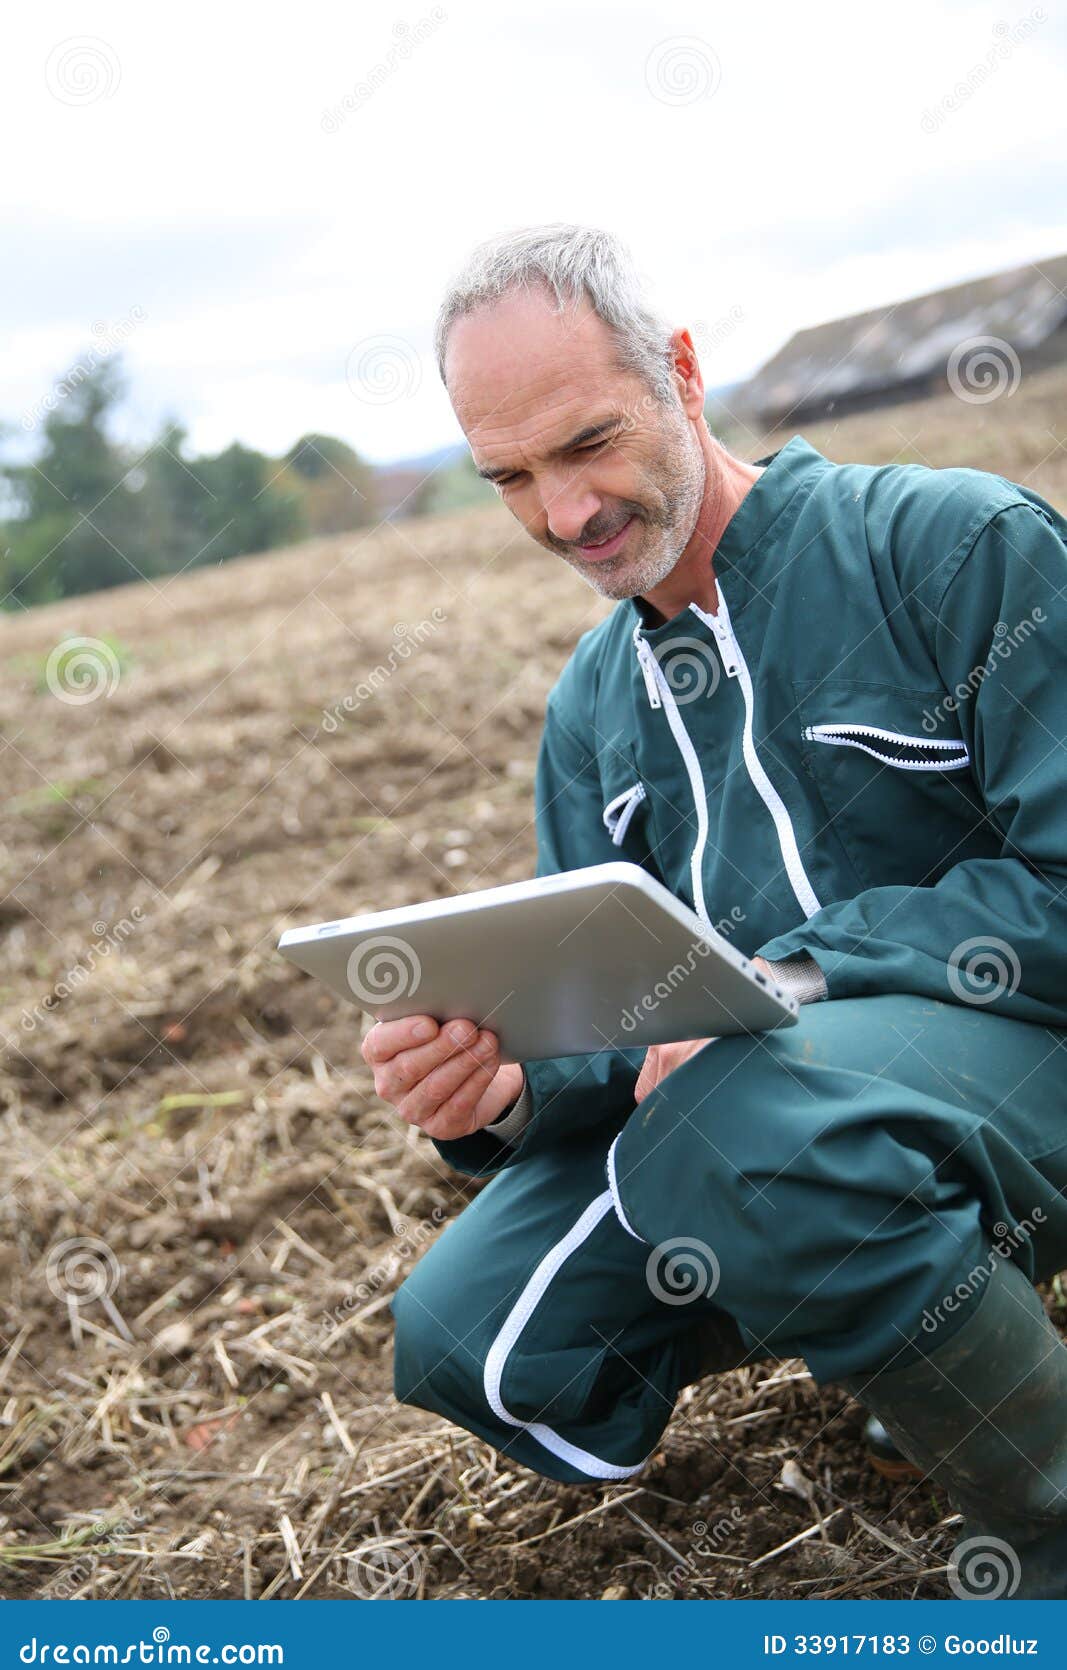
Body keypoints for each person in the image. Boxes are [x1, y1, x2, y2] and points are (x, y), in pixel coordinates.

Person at [362, 224, 1067, 1597]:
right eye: (511, 476)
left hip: (1036, 1053)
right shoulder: (590, 713)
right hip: (780, 1130)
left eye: (586, 444)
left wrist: (795, 975)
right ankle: (897, 1312)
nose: (564, 514)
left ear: (682, 374)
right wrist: (500, 1085)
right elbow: (614, 1029)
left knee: (739, 1124)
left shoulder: (947, 545)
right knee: (478, 1334)